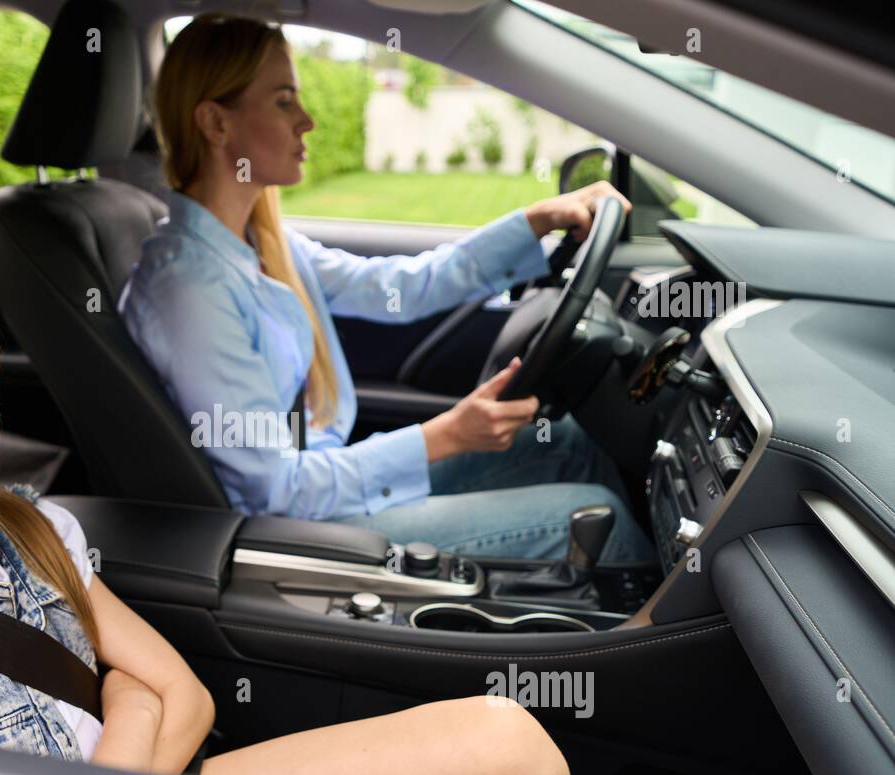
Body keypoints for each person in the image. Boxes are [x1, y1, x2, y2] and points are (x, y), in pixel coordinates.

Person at [0, 235, 595, 775]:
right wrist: (129, 713)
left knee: (505, 741)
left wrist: (130, 742)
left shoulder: (28, 527)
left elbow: (186, 696)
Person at [119, 12, 655, 563]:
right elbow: (274, 490)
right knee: (598, 516)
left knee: (564, 442)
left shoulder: (263, 245)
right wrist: (445, 434)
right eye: (283, 101)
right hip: (294, 529)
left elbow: (402, 287)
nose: (307, 121)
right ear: (215, 123)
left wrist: (536, 221)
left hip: (327, 487)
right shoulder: (188, 289)